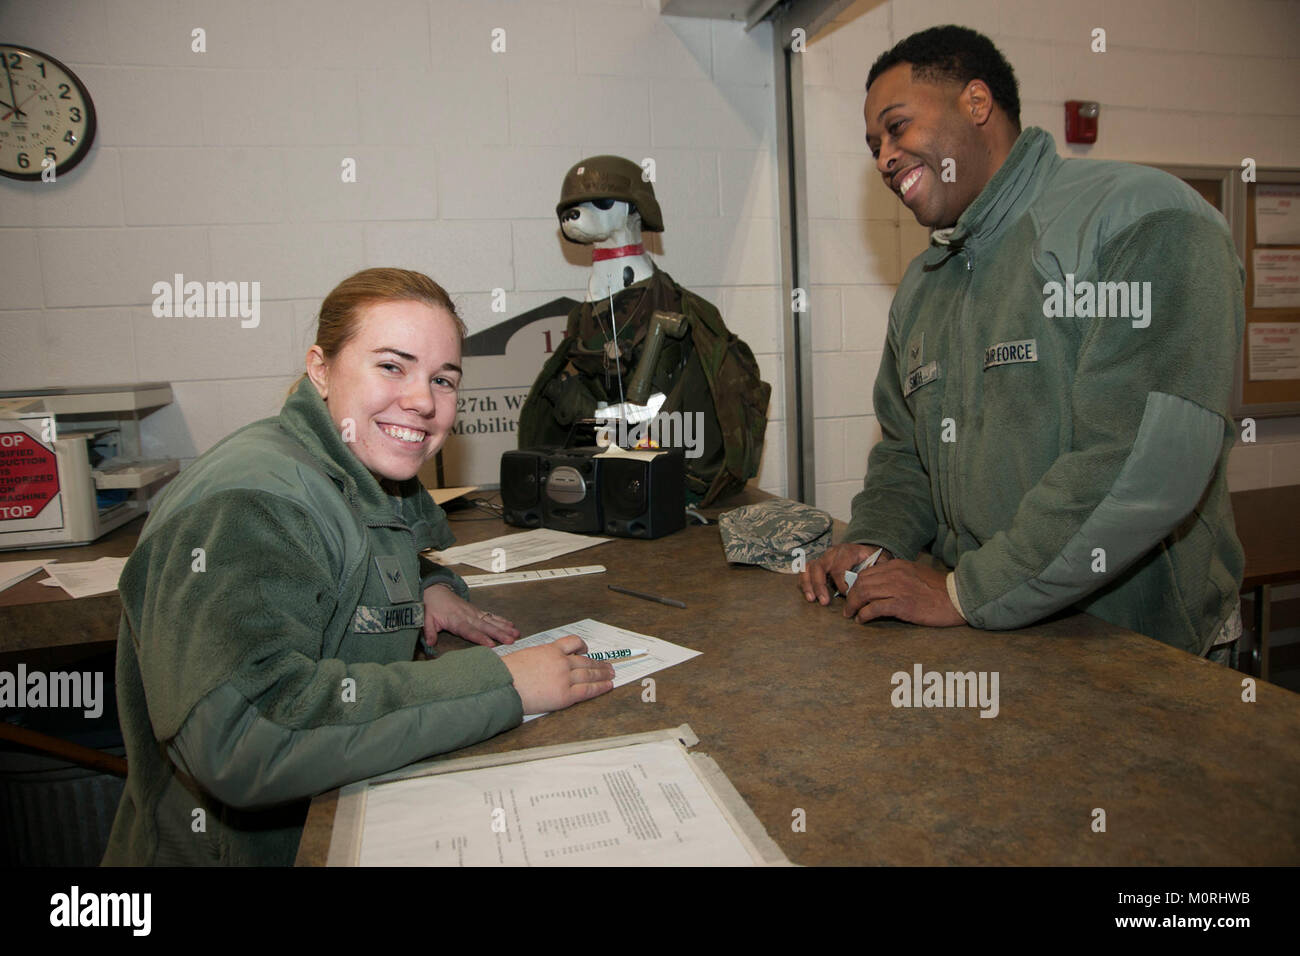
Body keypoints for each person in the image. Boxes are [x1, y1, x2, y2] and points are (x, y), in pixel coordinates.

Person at [103, 268, 614, 866]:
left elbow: (357, 551)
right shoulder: (249, 502)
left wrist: (427, 586)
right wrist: (502, 684)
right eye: (392, 366)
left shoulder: (354, 465)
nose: (423, 400)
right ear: (320, 368)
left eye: (443, 379)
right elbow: (246, 737)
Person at [799, 26, 1245, 664]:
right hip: (989, 638)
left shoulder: (1144, 220)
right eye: (873, 145)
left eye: (897, 128)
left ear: (976, 104)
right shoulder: (925, 287)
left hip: (1144, 651)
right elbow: (906, 453)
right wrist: (874, 546)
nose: (884, 158)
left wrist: (964, 593)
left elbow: (1138, 463)